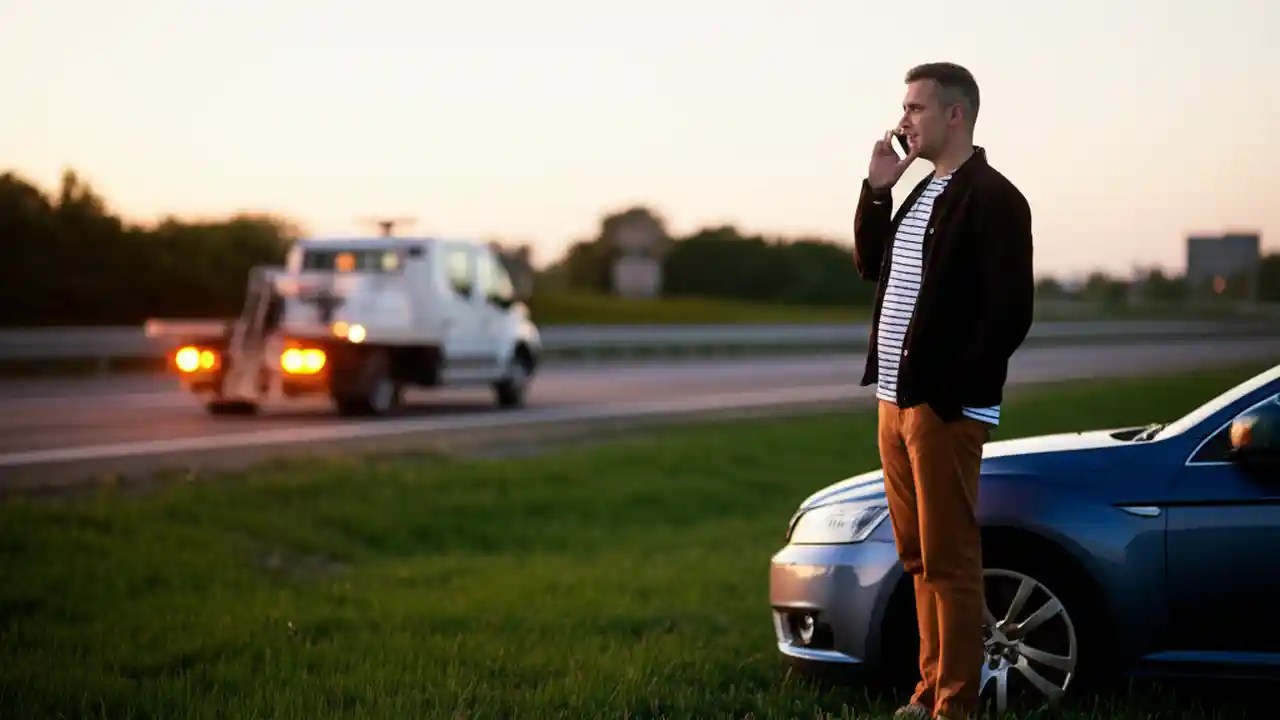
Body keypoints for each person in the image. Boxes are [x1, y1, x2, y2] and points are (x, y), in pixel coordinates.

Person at [852, 62, 1034, 720]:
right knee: (917, 556)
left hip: (943, 408)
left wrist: (948, 392)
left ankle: (955, 705)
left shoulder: (995, 198)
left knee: (951, 559)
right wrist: (877, 190)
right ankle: (929, 690)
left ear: (955, 114)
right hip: (895, 405)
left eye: (916, 109)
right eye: (904, 108)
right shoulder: (919, 192)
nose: (905, 121)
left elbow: (1009, 314)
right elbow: (871, 265)